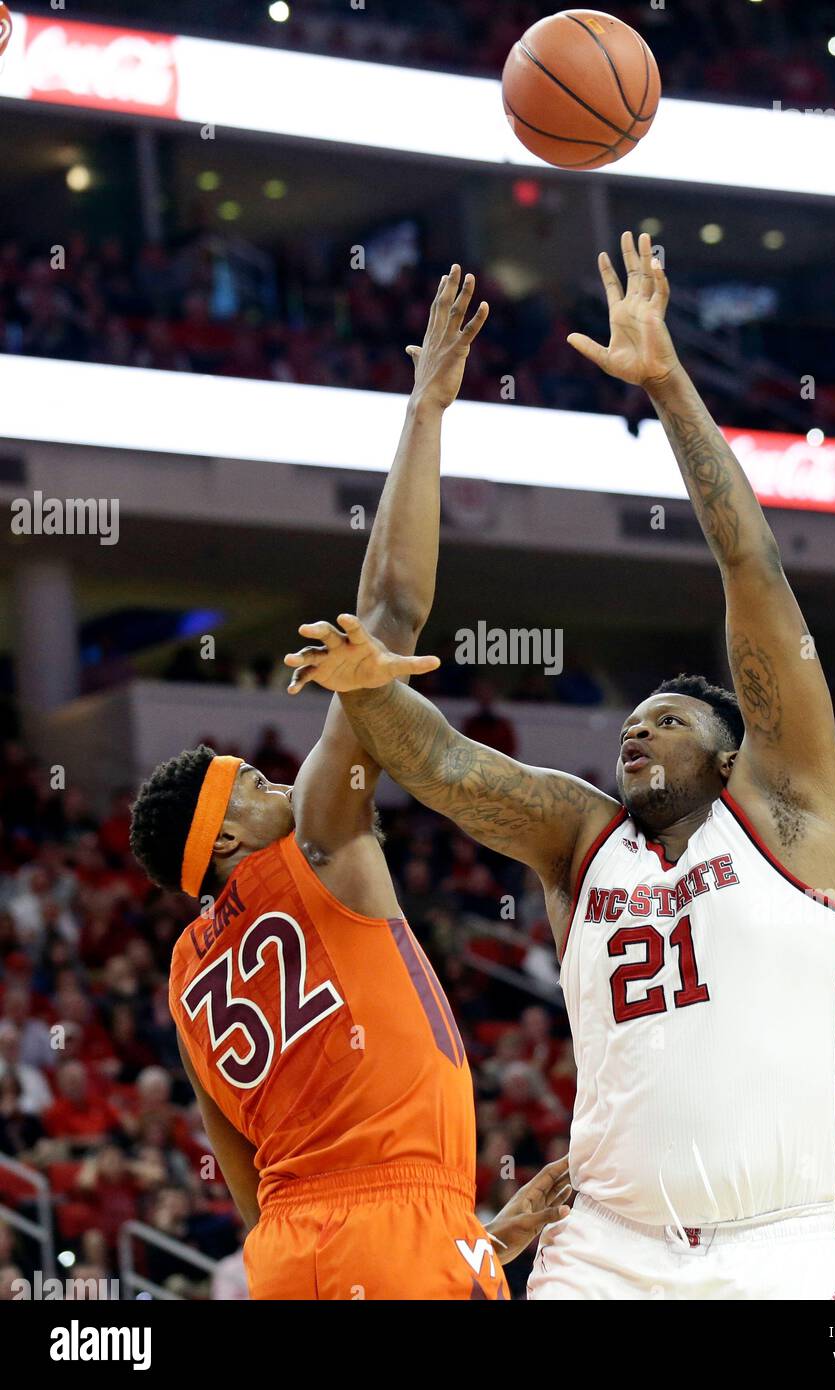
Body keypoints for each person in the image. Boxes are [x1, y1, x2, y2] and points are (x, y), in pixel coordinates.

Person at [284, 232, 835, 1300]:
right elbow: (444, 762)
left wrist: (667, 380)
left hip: (774, 1247)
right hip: (606, 1250)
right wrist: (367, 683)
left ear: (732, 754)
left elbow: (751, 565)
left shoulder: (784, 813)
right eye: (631, 719)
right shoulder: (582, 837)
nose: (636, 732)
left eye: (670, 718)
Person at [128, 267, 567, 1300]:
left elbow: (255, 1195)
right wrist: (426, 409)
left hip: (290, 1255)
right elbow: (394, 608)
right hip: (395, 1231)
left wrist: (480, 1238)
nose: (278, 775)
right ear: (228, 838)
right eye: (251, 779)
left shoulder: (189, 976)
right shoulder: (314, 845)